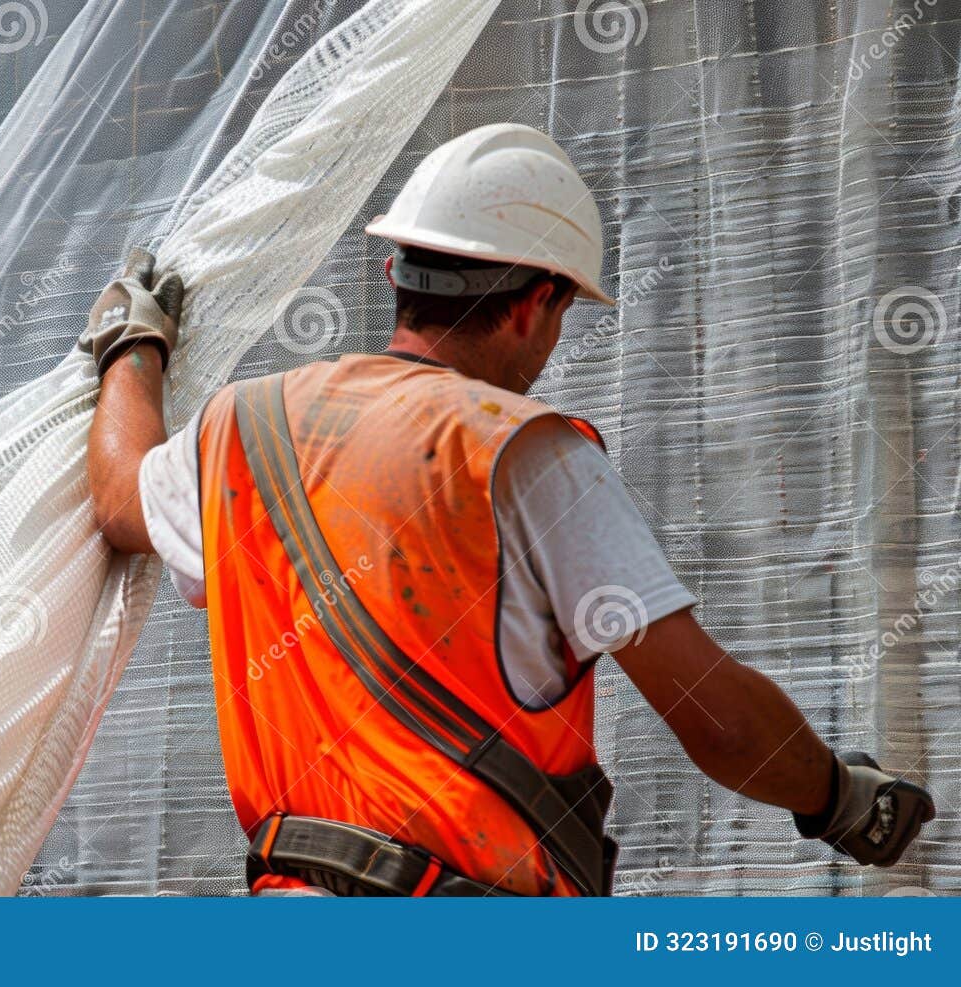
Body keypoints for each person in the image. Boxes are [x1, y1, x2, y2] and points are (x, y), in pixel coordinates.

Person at [80, 123, 935, 896]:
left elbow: (119, 498)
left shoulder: (239, 429)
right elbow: (717, 717)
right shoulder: (527, 454)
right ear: (538, 302)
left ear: (396, 275)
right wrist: (841, 797)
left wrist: (135, 347)